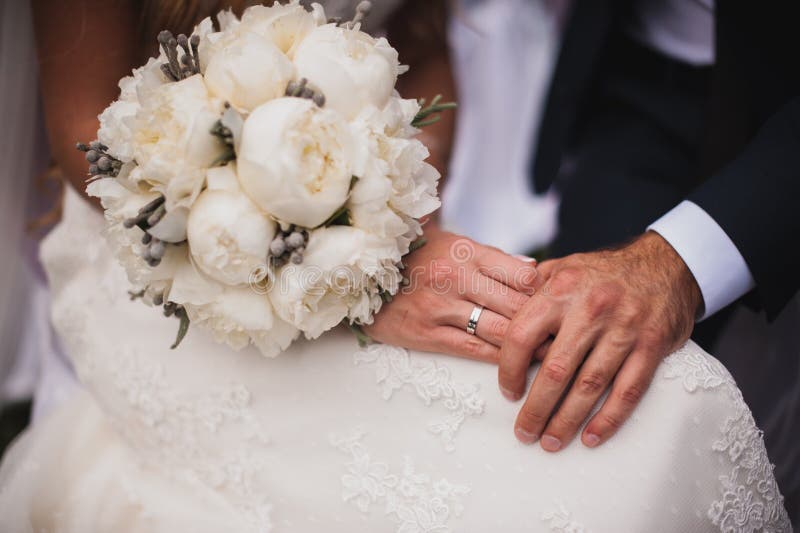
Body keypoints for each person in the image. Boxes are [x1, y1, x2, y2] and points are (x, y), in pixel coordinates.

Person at [0, 1, 790, 531]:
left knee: (668, 399)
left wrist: (380, 217)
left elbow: (417, 36)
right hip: (168, 250)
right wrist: (326, 255)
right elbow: (86, 131)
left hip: (374, 233)